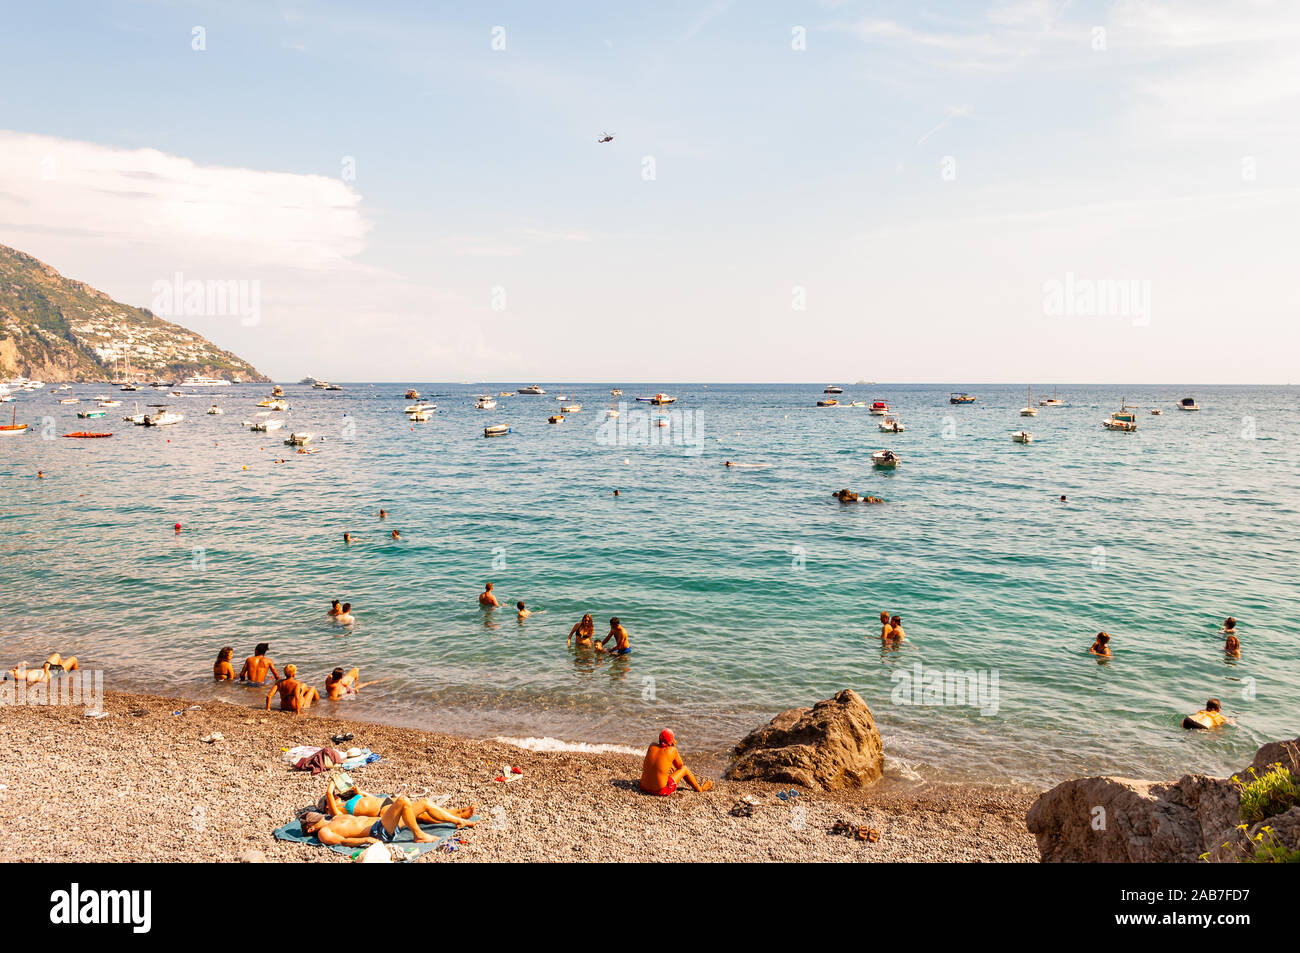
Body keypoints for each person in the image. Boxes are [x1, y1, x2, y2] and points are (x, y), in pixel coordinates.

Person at [298, 797, 440, 846]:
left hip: (383, 823)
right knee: (402, 801)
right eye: (314, 819)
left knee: (424, 803)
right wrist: (366, 839)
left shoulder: (335, 818)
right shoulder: (324, 832)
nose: (318, 817)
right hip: (378, 831)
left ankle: (459, 822)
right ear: (311, 829)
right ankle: (418, 835)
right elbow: (343, 841)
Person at [324, 783, 476, 828]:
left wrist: (361, 792)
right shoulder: (337, 812)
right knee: (421, 814)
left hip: (385, 802)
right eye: (335, 797)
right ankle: (455, 818)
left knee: (420, 810)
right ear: (326, 807)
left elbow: (372, 798)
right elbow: (329, 794)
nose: (337, 796)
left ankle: (456, 813)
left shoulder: (348, 800)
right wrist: (333, 780)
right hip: (381, 811)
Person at [639, 729, 712, 795]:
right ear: (671, 741)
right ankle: (700, 789)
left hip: (643, 786)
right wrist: (673, 747)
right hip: (660, 790)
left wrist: (668, 764)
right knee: (685, 769)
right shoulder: (672, 750)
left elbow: (657, 760)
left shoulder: (652, 746)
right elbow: (680, 766)